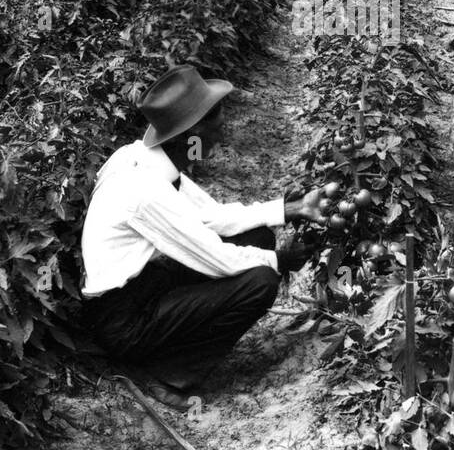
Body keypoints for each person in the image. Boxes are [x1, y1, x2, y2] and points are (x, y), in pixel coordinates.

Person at [78, 65, 325, 409]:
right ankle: (168, 375)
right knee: (260, 281)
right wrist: (282, 261)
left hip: (144, 287)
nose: (220, 138)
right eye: (217, 129)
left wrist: (289, 208)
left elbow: (211, 218)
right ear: (191, 136)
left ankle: (175, 347)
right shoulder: (144, 189)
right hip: (124, 320)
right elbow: (215, 256)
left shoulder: (145, 159)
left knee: (256, 238)